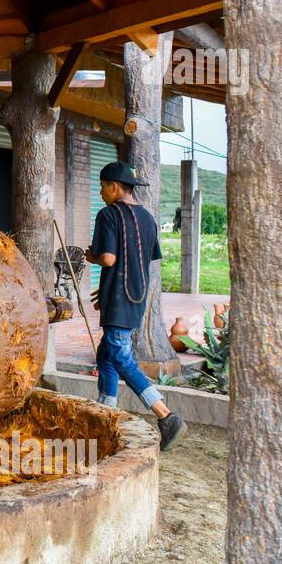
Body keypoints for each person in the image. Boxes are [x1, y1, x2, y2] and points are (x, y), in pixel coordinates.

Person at [85, 161, 187, 451]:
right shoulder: (147, 218)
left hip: (118, 300)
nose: (101, 192)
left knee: (119, 356)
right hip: (136, 297)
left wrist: (90, 255)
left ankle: (166, 416)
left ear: (114, 187)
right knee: (106, 355)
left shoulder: (108, 215)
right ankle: (106, 415)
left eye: (103, 187)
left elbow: (108, 259)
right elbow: (147, 258)